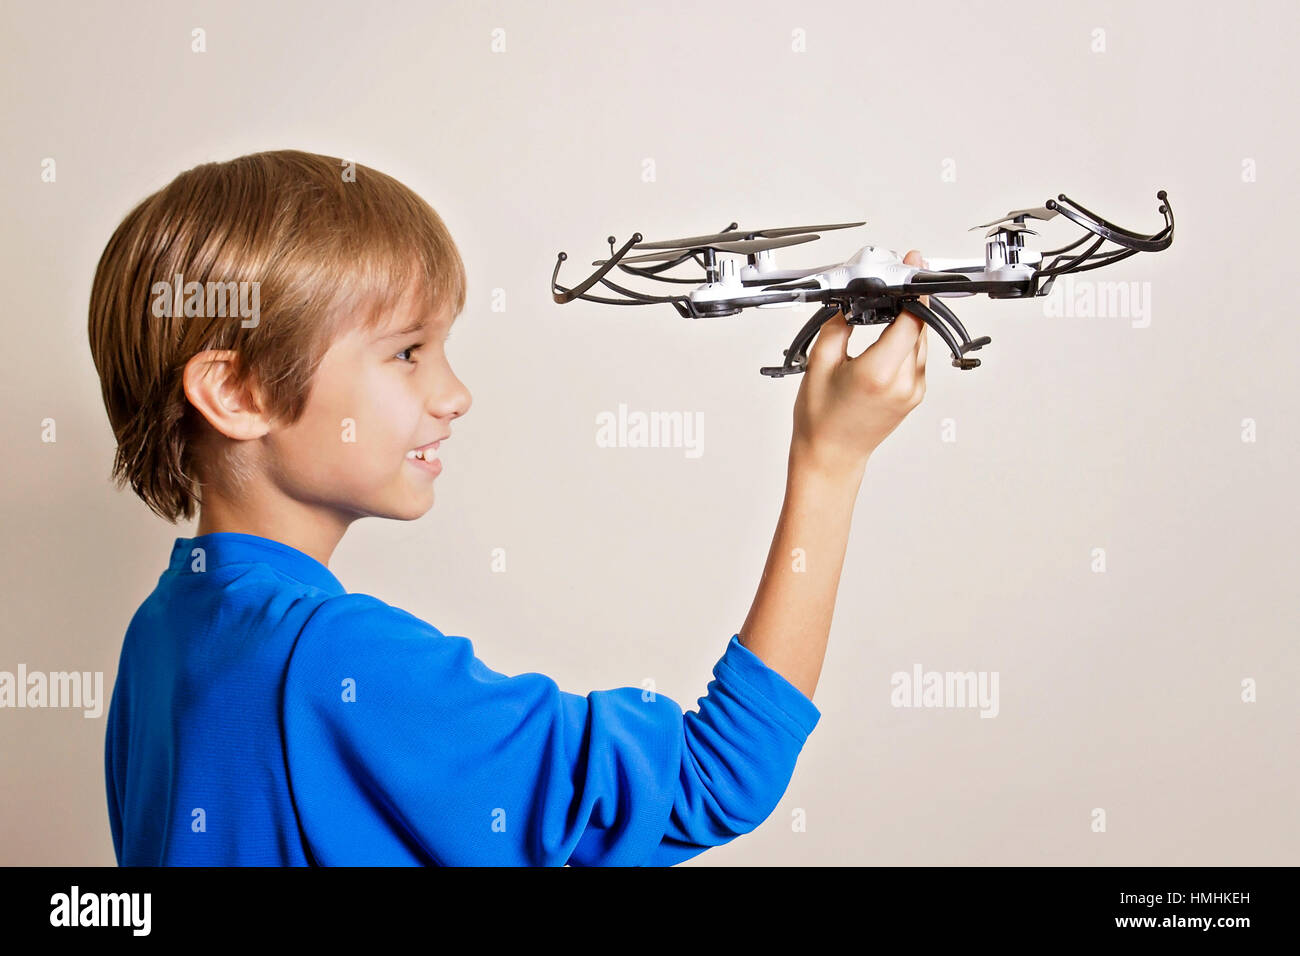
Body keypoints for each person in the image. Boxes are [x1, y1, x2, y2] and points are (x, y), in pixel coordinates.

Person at [89, 149, 928, 865]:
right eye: (407, 353)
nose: (454, 394)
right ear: (236, 392)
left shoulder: (164, 629)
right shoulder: (336, 661)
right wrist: (829, 462)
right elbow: (717, 777)